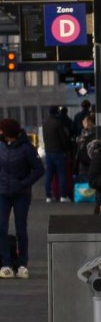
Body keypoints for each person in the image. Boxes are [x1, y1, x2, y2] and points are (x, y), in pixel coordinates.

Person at [0, 118, 46, 278]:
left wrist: (24, 183)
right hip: (2, 193)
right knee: (1, 227)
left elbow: (39, 170)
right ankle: (5, 264)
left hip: (21, 194)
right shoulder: (1, 146)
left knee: (21, 228)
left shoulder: (27, 148)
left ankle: (22, 264)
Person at [39, 106, 73, 202]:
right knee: (61, 174)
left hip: (49, 152)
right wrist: (67, 149)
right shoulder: (58, 123)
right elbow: (63, 139)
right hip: (59, 152)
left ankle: (48, 196)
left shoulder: (45, 124)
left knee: (49, 175)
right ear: (57, 112)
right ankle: (63, 196)